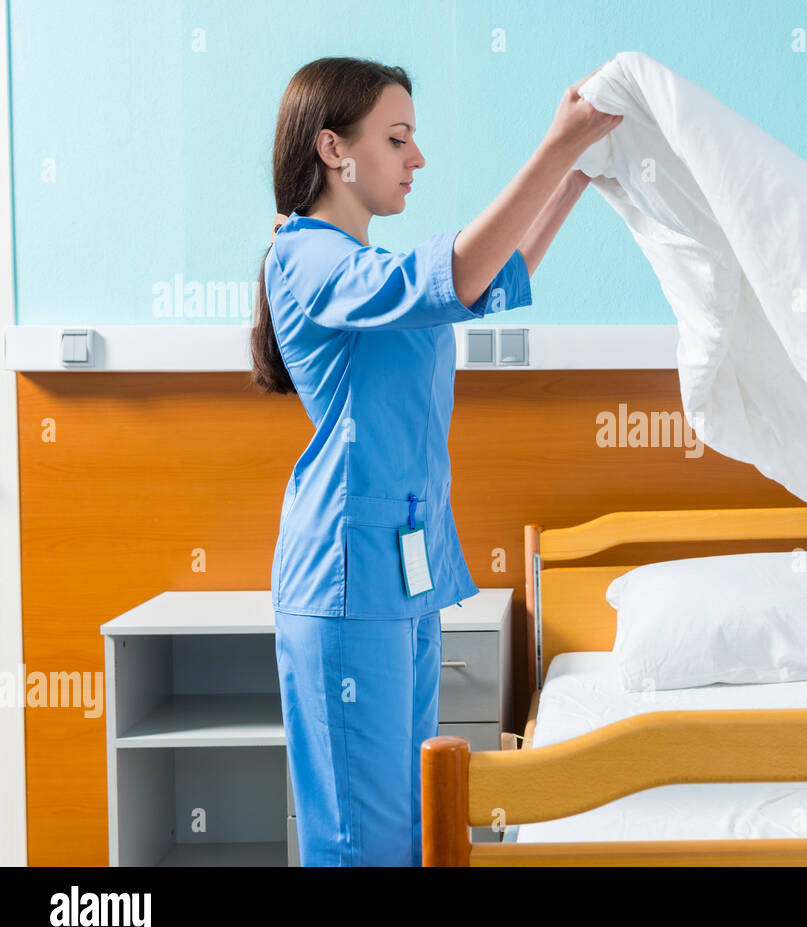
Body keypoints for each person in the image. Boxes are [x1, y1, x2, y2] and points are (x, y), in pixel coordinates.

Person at [249, 56, 620, 866]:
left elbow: (485, 281)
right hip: (346, 584)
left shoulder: (371, 273)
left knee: (420, 825)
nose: (417, 158)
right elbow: (452, 273)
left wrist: (579, 178)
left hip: (403, 582)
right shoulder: (305, 256)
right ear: (333, 150)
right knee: (364, 841)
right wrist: (555, 151)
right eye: (397, 138)